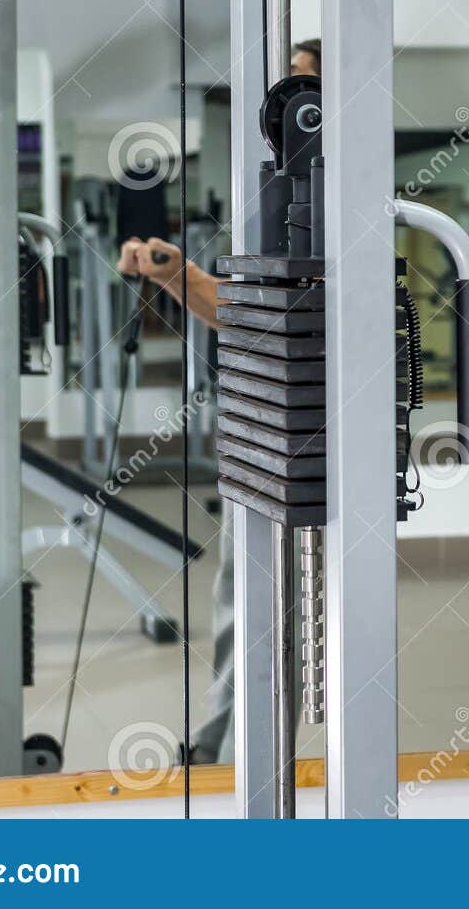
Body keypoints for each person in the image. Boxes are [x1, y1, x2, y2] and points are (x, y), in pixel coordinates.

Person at [113, 38, 321, 763]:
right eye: (281, 90)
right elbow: (247, 315)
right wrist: (177, 276)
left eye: (300, 90)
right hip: (262, 427)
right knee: (243, 593)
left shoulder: (344, 199)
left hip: (318, 434)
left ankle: (265, 758)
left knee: (308, 611)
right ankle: (223, 742)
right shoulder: (272, 196)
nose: (283, 106)